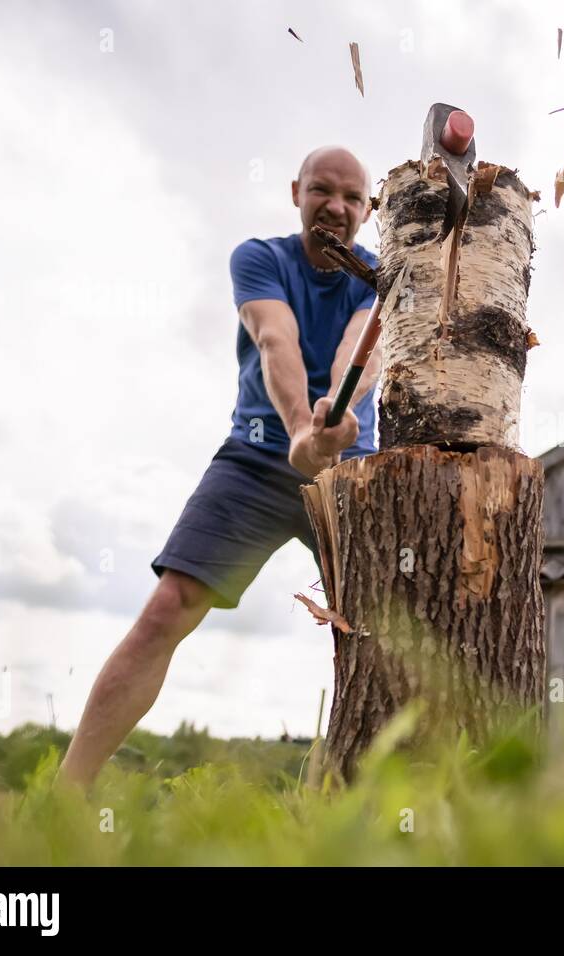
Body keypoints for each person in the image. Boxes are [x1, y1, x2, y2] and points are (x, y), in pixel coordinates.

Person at [60, 146, 379, 788]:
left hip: (355, 471)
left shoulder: (380, 274)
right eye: (322, 190)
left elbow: (360, 353)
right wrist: (298, 432)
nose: (335, 207)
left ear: (368, 209)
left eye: (351, 198)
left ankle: (372, 803)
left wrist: (334, 422)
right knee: (167, 607)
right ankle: (65, 796)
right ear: (296, 192)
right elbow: (274, 338)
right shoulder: (259, 258)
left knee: (381, 636)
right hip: (258, 458)